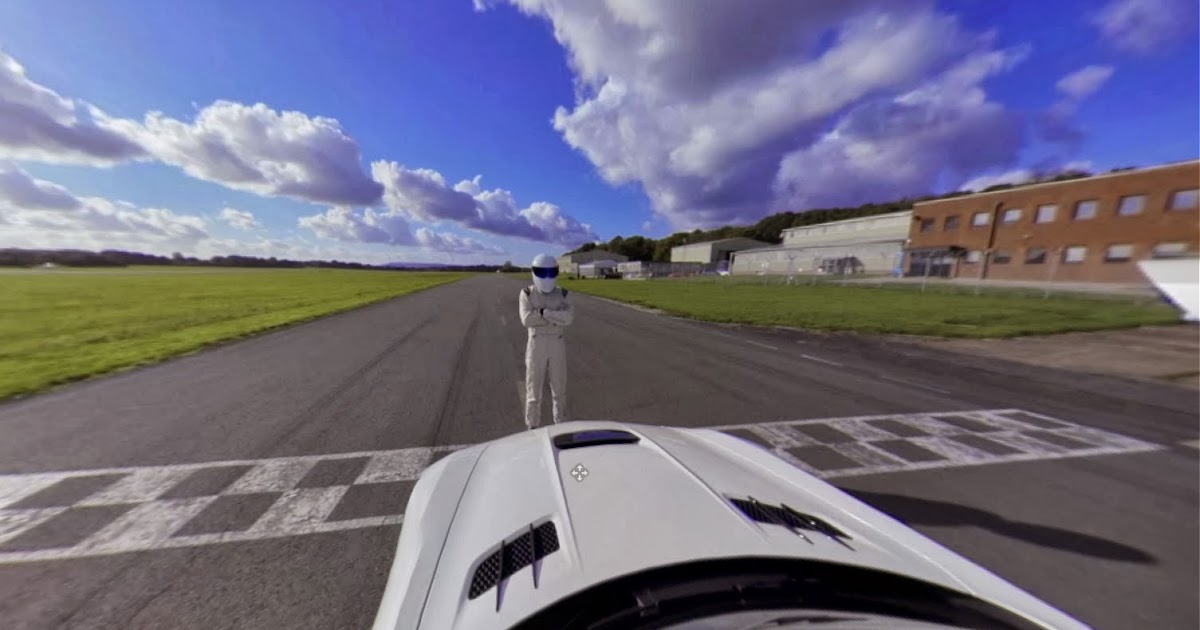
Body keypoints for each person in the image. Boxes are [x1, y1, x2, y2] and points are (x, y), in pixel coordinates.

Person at [519, 254, 574, 429]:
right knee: (533, 389)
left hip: (556, 343)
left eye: (551, 272)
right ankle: (532, 426)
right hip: (536, 343)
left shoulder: (563, 294)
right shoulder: (527, 293)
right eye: (542, 272)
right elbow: (527, 320)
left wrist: (544, 313)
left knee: (559, 388)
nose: (547, 276)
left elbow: (569, 318)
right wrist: (556, 317)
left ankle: (561, 425)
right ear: (535, 272)